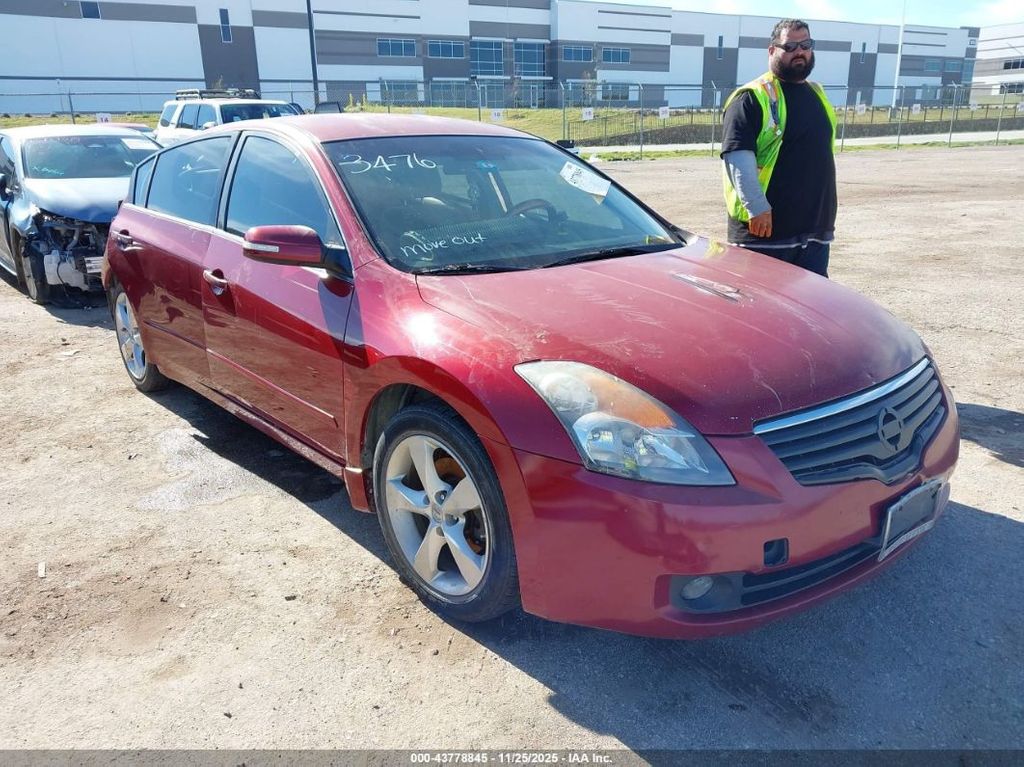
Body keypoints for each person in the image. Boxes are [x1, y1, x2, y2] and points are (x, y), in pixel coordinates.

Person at [720, 19, 838, 277]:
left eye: (806, 45)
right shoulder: (752, 97)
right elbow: (738, 155)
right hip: (766, 236)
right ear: (772, 50)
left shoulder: (817, 94)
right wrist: (756, 207)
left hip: (814, 232)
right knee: (759, 303)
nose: (800, 52)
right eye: (790, 46)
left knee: (811, 302)